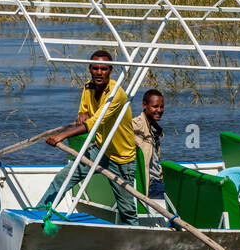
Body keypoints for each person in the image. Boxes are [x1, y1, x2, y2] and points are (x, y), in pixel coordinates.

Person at [39, 51, 139, 224]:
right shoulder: (88, 87)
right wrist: (82, 113)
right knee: (63, 177)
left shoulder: (117, 94)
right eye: (95, 68)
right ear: (90, 69)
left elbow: (93, 124)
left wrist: (60, 136)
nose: (99, 72)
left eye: (103, 69)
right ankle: (39, 215)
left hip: (121, 158)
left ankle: (136, 243)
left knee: (127, 211)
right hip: (99, 148)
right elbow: (84, 113)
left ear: (110, 70)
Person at [131, 88, 166, 201]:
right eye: (155, 106)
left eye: (161, 107)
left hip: (158, 181)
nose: (159, 110)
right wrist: (129, 139)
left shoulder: (155, 128)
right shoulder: (138, 123)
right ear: (144, 105)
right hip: (150, 185)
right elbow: (119, 128)